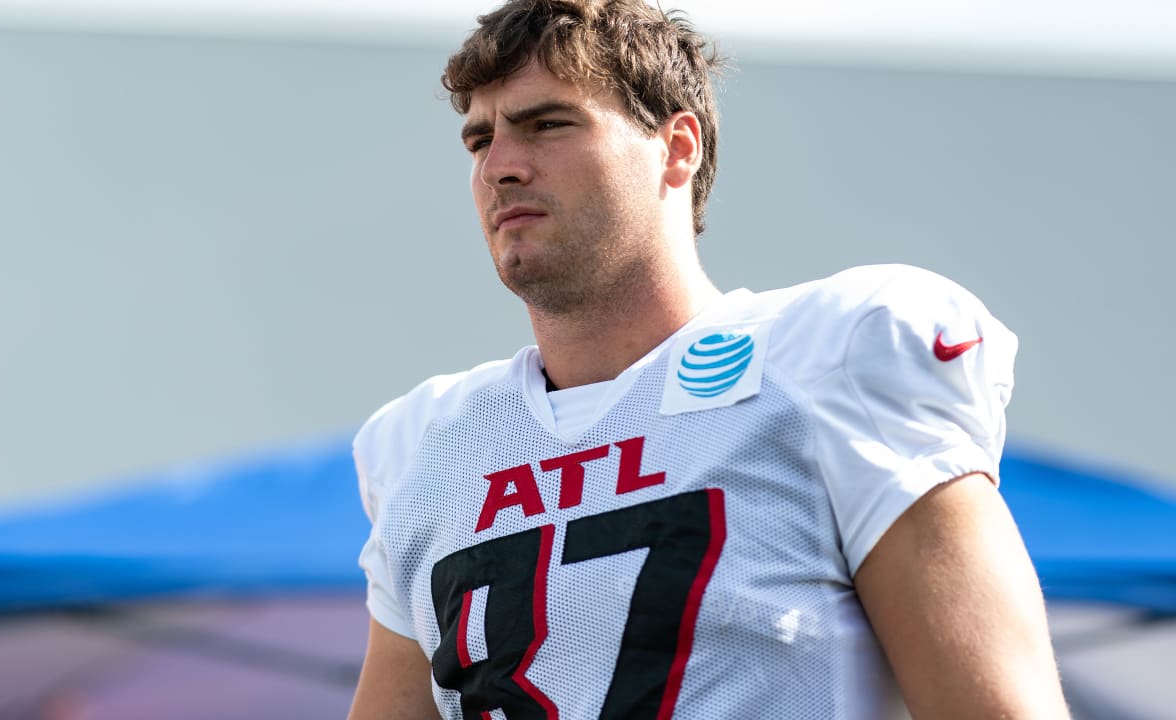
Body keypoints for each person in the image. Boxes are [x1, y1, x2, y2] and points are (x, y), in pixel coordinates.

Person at [347, 1, 1070, 717]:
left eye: (549, 124)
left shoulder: (832, 359)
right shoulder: (428, 449)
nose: (500, 166)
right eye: (479, 141)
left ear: (677, 146)